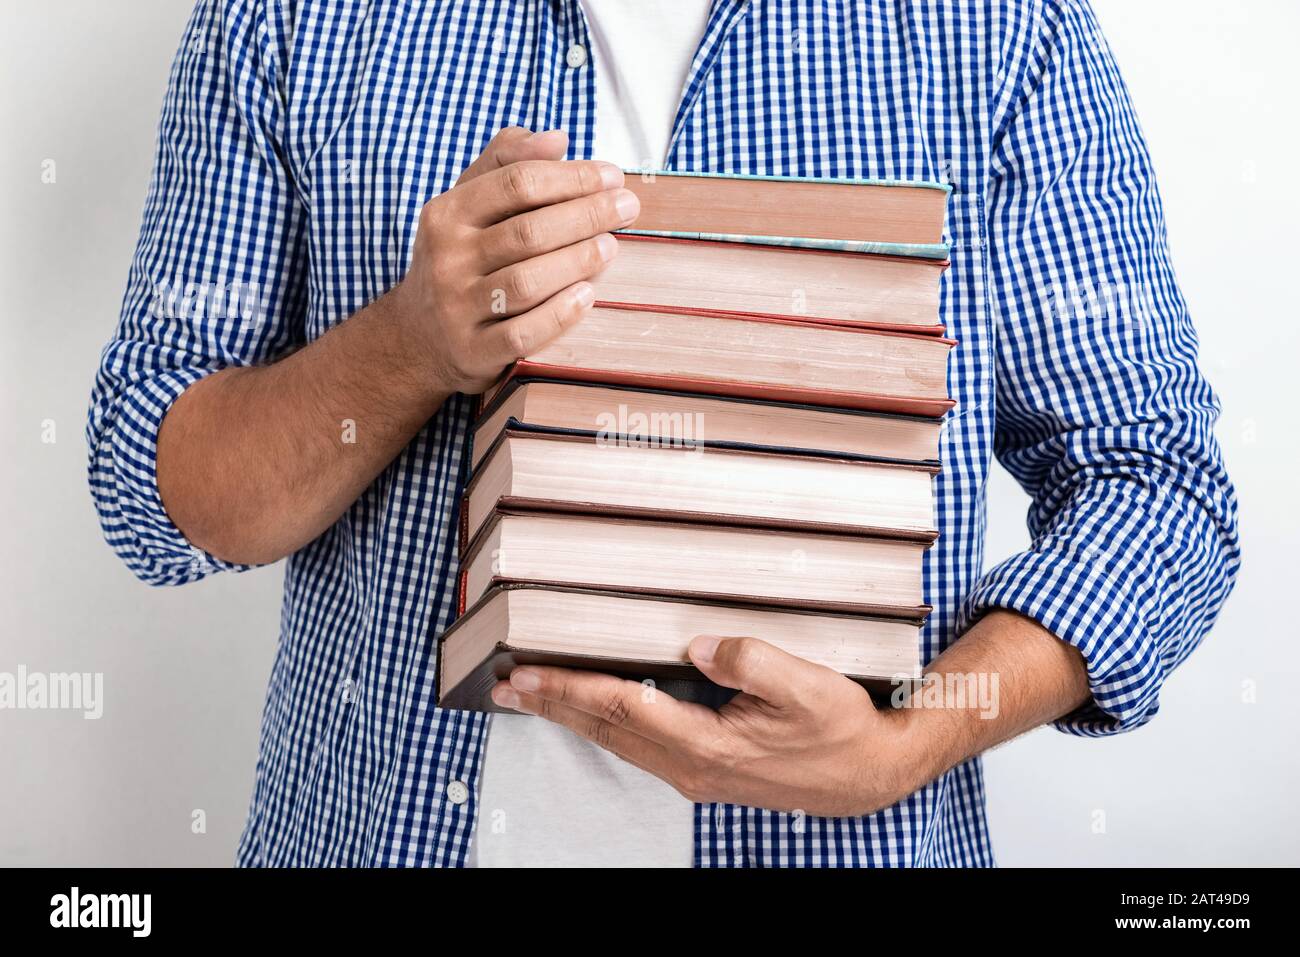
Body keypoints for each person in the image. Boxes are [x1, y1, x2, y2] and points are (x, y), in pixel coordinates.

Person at [87, 0, 1239, 867]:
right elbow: (156, 499)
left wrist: (914, 741)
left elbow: (1156, 486)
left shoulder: (990, 28)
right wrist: (409, 343)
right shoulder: (293, 15)